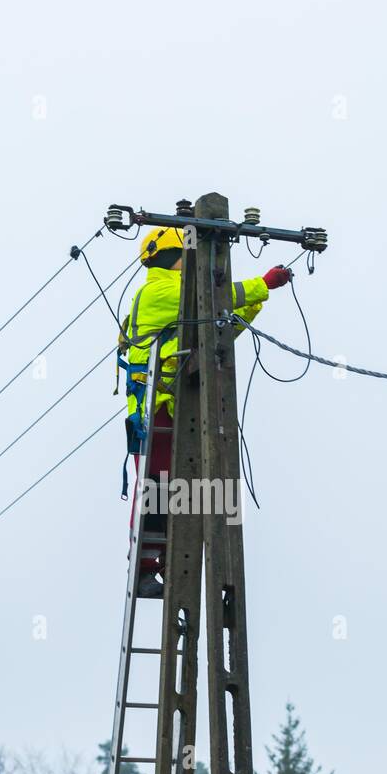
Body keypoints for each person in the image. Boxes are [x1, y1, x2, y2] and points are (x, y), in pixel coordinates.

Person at [119, 225, 292, 599]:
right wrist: (264, 283)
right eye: (186, 257)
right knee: (159, 488)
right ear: (172, 257)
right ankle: (146, 569)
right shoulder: (161, 290)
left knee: (184, 489)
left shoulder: (172, 295)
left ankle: (170, 566)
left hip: (169, 404)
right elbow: (217, 297)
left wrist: (253, 304)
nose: (189, 264)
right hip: (157, 409)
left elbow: (218, 323)